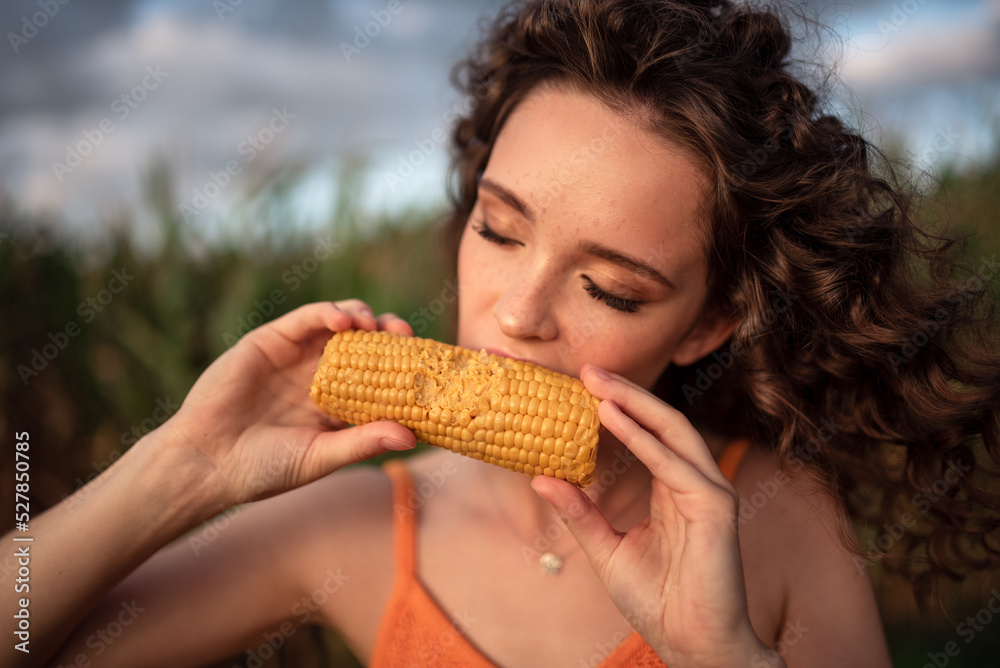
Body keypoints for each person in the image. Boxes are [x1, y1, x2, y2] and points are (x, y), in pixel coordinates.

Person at [6, 0, 999, 666]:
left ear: (707, 323)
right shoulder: (351, 530)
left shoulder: (780, 528)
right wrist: (179, 465)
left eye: (608, 287)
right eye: (498, 227)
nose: (516, 313)